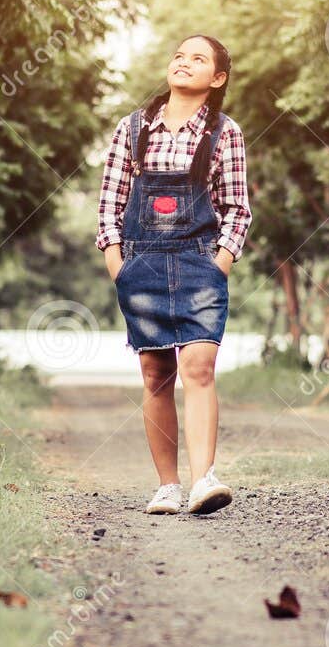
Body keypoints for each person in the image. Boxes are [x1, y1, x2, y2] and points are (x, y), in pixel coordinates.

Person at [96, 34, 252, 515]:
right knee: (156, 373)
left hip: (199, 264)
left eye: (198, 59)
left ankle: (204, 479)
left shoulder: (225, 133)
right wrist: (119, 267)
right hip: (140, 263)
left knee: (199, 367)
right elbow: (109, 208)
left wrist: (217, 264)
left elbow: (238, 211)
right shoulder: (132, 129)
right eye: (179, 56)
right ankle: (167, 486)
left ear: (217, 78)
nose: (184, 63)